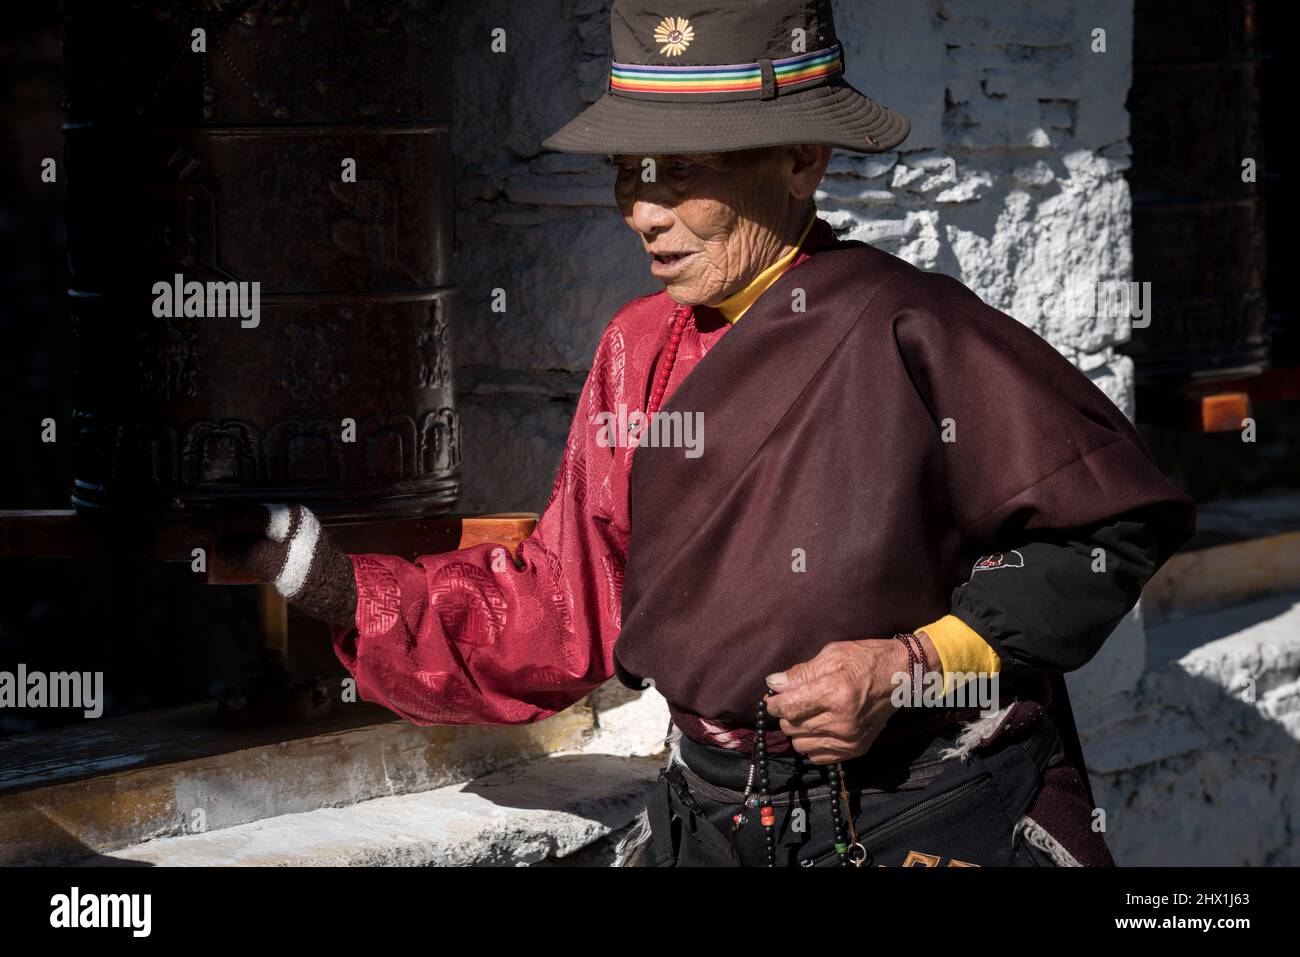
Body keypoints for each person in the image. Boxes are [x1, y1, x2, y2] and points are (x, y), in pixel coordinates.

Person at [213, 0, 1195, 867]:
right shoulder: (637, 352)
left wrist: (910, 665)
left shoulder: (913, 329)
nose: (642, 213)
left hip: (926, 813)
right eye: (627, 173)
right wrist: (319, 571)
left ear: (802, 160)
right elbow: (566, 605)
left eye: (683, 173)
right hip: (718, 821)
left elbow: (1105, 532)